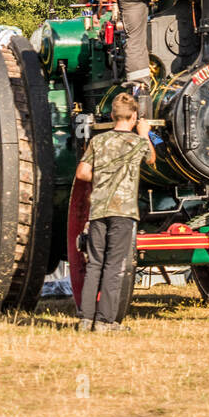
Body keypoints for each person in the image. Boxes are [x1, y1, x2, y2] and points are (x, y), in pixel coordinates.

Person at [73, 92, 153, 332]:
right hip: (123, 211)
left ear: (111, 115)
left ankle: (86, 319)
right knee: (114, 265)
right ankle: (106, 321)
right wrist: (145, 133)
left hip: (98, 210)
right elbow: (151, 158)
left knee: (95, 263)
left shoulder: (98, 141)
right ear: (134, 116)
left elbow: (82, 174)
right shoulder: (137, 143)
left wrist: (103, 179)